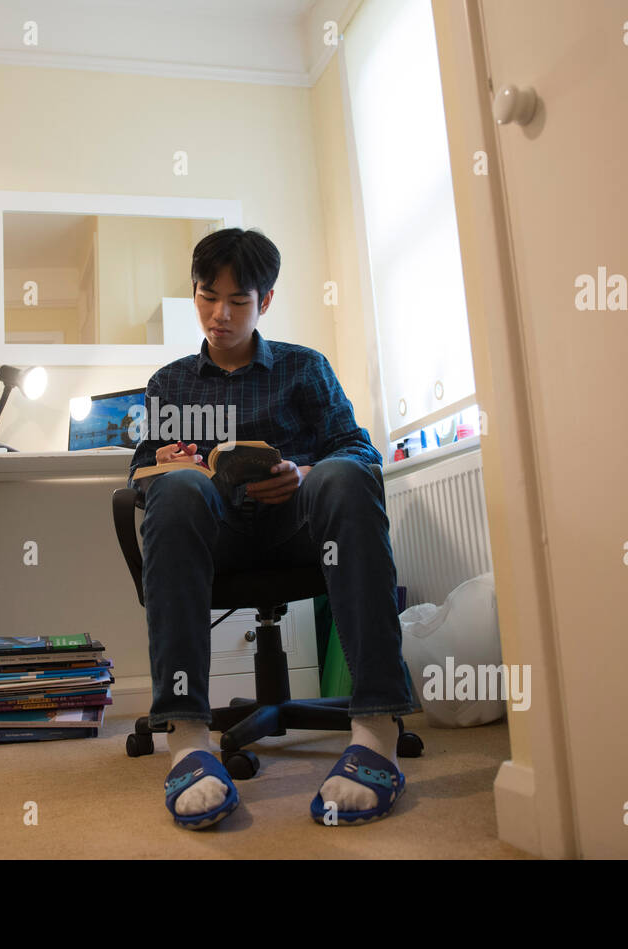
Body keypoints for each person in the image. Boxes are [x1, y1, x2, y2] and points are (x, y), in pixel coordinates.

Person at [126, 227, 417, 829]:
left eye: (238, 301)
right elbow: (141, 471)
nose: (220, 315)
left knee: (342, 475)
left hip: (300, 530)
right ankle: (186, 739)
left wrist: (304, 471)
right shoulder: (170, 384)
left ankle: (377, 727)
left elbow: (360, 454)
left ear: (267, 301)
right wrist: (171, 466)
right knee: (176, 488)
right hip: (218, 538)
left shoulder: (306, 369)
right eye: (208, 297)